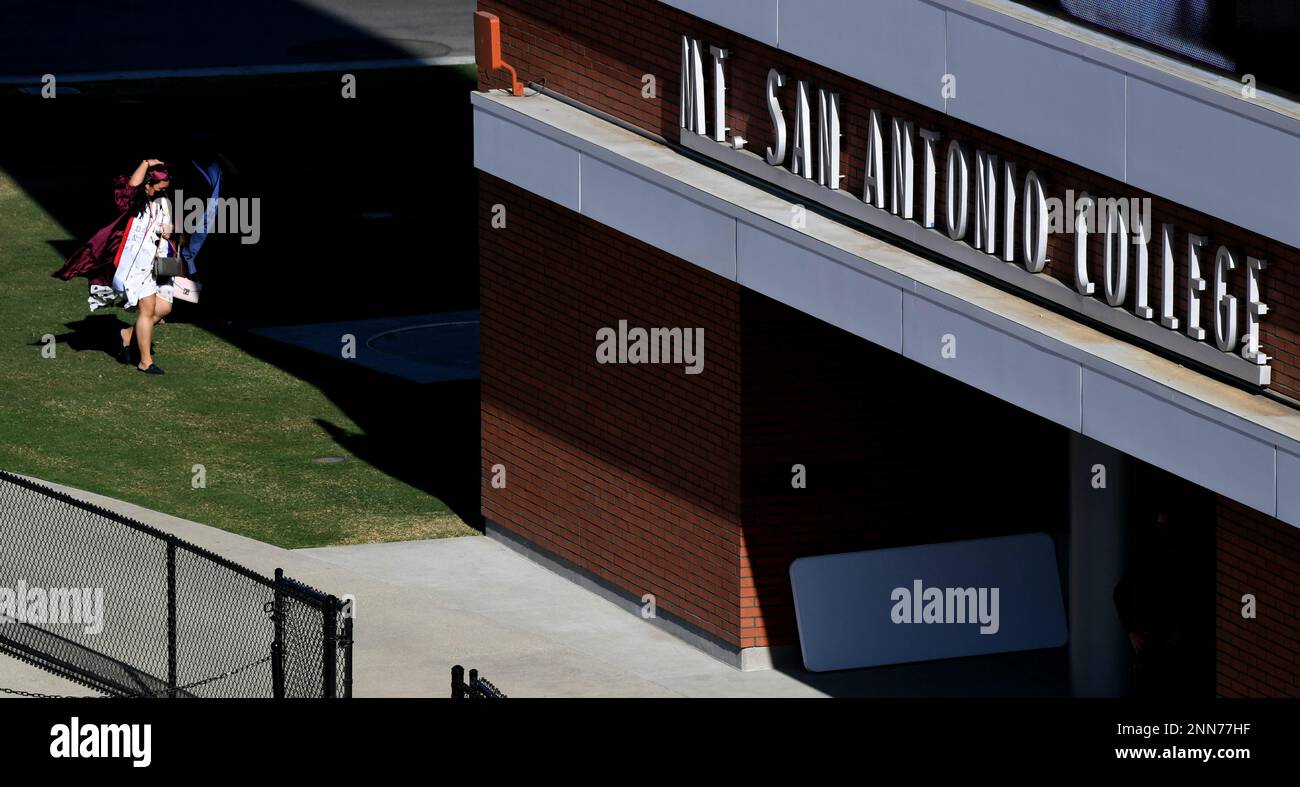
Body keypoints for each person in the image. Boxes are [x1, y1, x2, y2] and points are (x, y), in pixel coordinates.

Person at [53, 159, 177, 374]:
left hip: (152, 267)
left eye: (165, 190)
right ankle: (145, 362)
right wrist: (146, 163)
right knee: (147, 310)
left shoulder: (162, 204)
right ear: (148, 185)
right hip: (131, 268)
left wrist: (168, 232)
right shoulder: (134, 205)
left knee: (163, 308)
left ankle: (128, 335)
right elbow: (130, 189)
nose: (163, 194)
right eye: (159, 190)